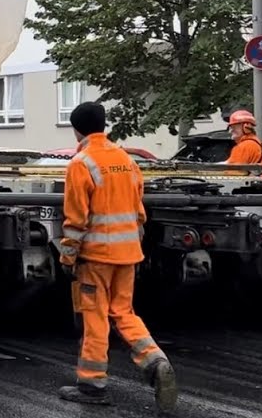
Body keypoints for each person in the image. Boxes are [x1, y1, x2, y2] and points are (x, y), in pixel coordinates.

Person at [57, 102, 178, 412]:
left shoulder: (81, 163)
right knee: (124, 311)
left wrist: (68, 257)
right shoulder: (126, 160)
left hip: (96, 257)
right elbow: (139, 212)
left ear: (77, 130)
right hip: (127, 254)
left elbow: (76, 219)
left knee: (95, 316)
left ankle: (93, 385)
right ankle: (155, 361)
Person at [222, 110, 262, 178]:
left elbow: (231, 172)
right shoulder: (258, 143)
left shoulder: (245, 146)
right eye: (231, 127)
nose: (231, 131)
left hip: (251, 186)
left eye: (234, 127)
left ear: (246, 127)